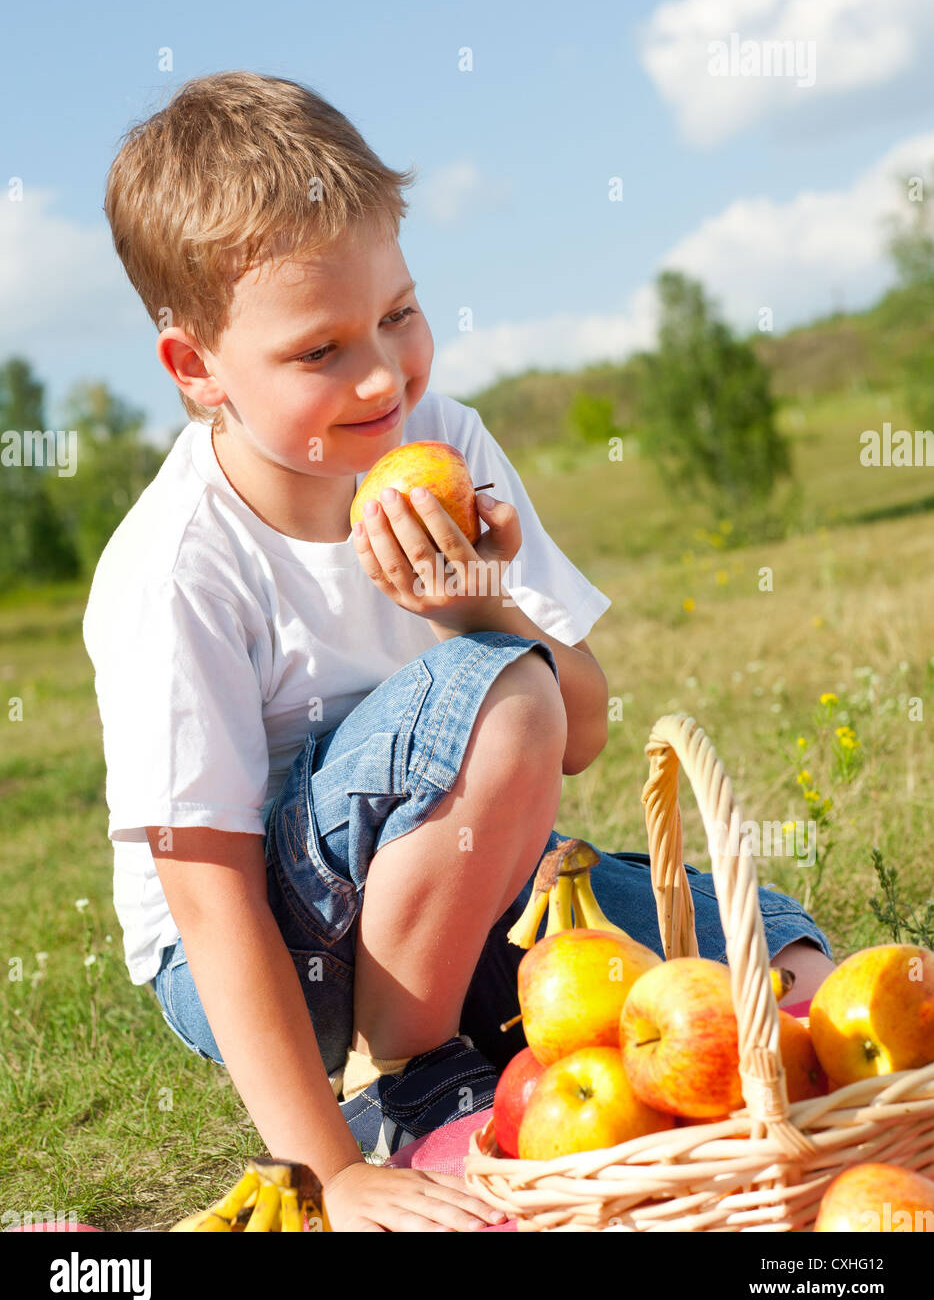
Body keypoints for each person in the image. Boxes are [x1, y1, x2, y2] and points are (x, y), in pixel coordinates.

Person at [83, 70, 834, 1233]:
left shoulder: (447, 441)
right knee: (499, 698)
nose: (384, 374)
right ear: (196, 371)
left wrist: (475, 601)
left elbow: (582, 731)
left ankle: (474, 1062)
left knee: (785, 974)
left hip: (469, 886)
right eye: (319, 350)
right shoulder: (178, 567)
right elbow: (208, 890)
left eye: (399, 313)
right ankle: (400, 1089)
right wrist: (328, 1173)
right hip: (270, 960)